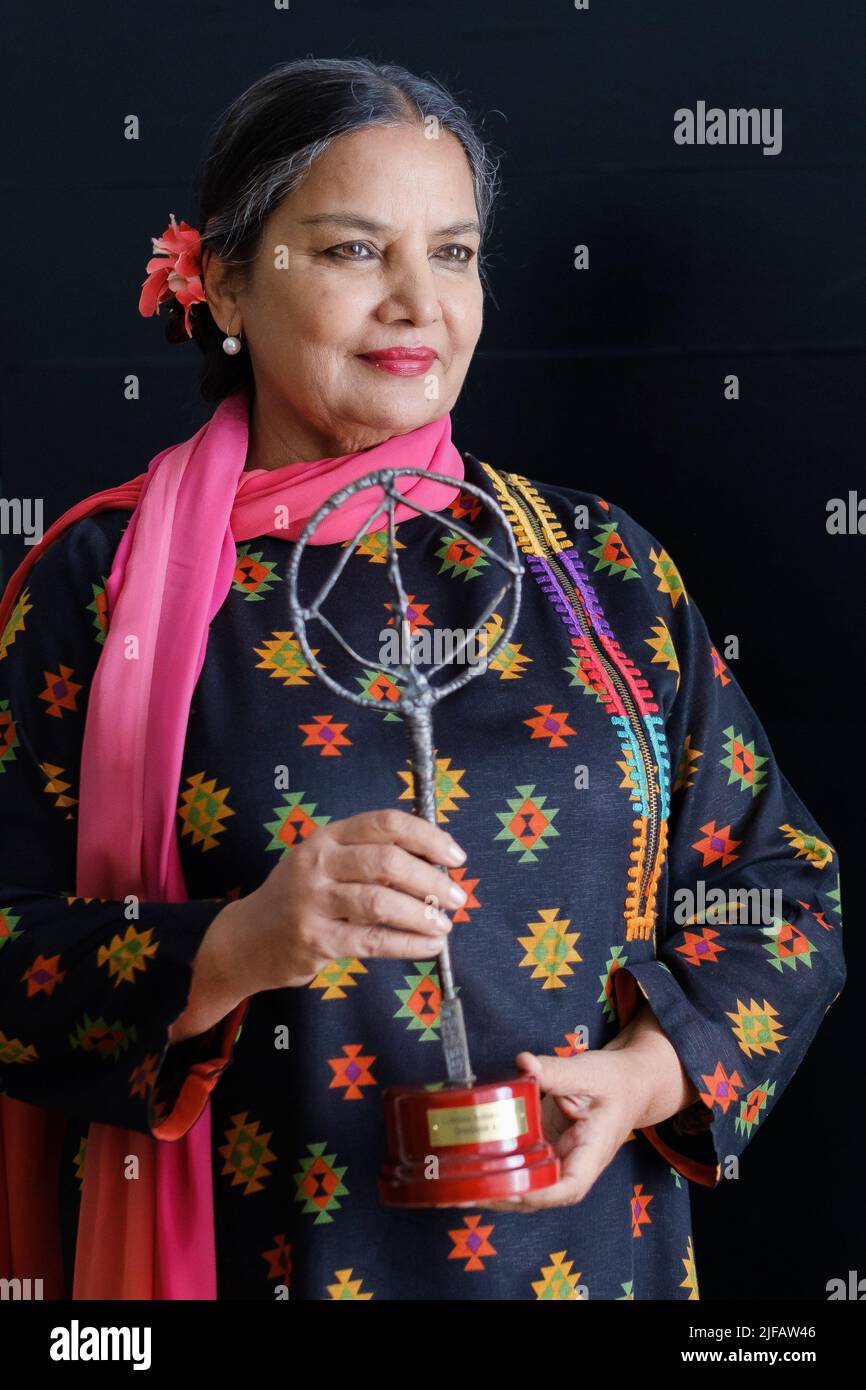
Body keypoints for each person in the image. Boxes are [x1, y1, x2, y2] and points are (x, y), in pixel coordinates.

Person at [0, 56, 845, 1301]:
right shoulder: (99, 583)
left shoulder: (593, 564)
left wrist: (646, 1075)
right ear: (227, 277)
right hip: (256, 1260)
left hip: (586, 1262)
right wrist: (230, 947)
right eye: (352, 251)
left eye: (451, 254)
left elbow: (782, 891)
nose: (416, 303)